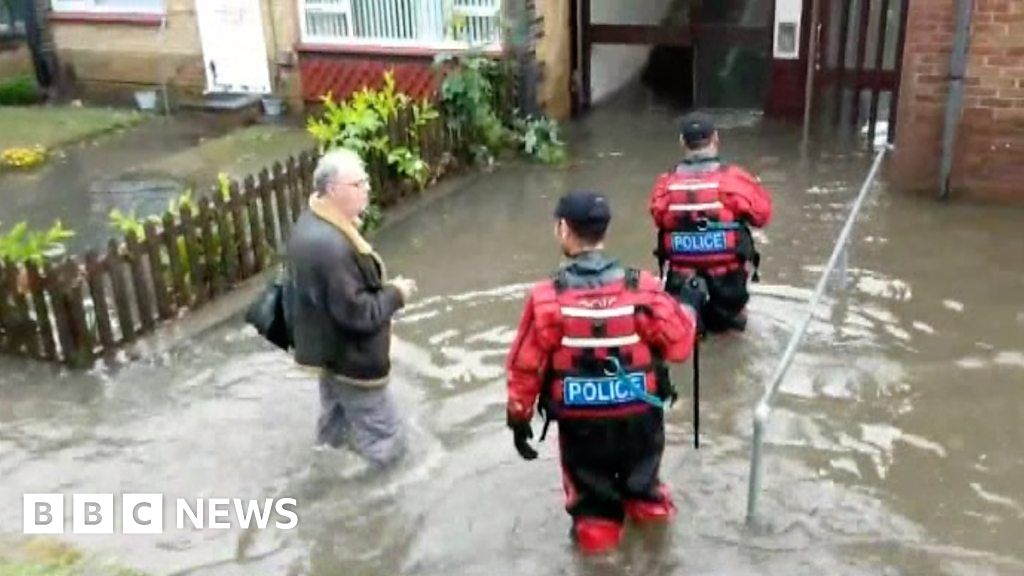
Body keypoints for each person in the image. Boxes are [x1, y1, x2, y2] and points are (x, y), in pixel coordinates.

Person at [505, 191, 697, 554]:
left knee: (593, 509)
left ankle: (601, 561)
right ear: (605, 231)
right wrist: (689, 308)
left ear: (563, 229)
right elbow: (680, 346)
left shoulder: (546, 298)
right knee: (646, 490)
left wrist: (519, 419)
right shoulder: (643, 287)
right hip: (640, 418)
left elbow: (524, 367)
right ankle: (659, 553)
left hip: (582, 426)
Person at [285, 148, 418, 468]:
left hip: (326, 353)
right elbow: (358, 314)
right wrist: (396, 293)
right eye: (359, 185)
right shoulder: (332, 248)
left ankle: (325, 476)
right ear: (333, 190)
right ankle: (375, 508)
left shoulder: (310, 223)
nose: (367, 190)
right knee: (389, 442)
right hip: (352, 361)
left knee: (334, 428)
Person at [649, 112, 773, 334]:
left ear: (682, 142)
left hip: (682, 280)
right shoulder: (735, 179)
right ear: (715, 138)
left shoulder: (665, 185)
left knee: (685, 335)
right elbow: (762, 216)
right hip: (727, 282)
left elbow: (658, 217)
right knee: (734, 331)